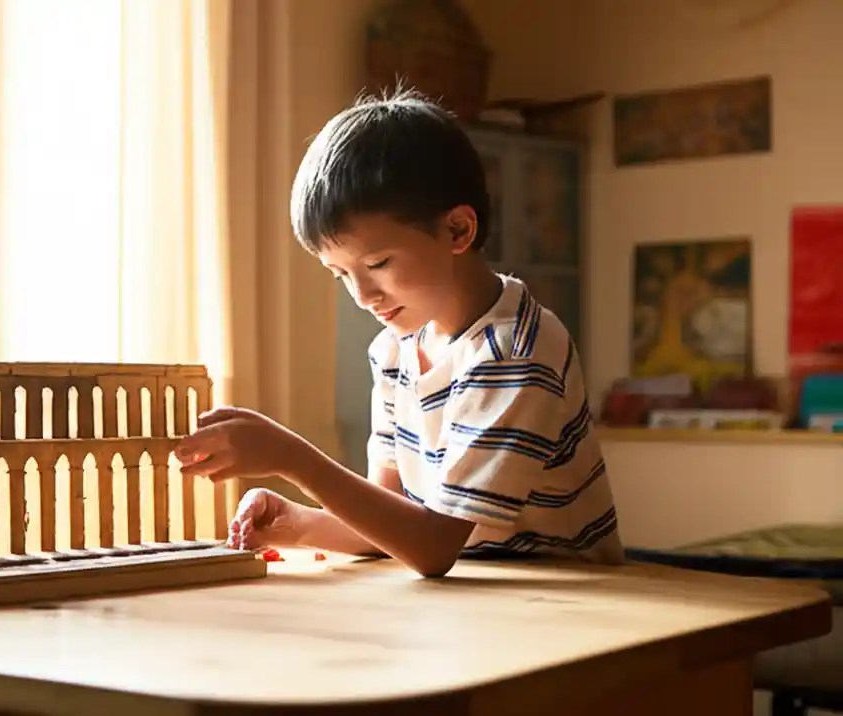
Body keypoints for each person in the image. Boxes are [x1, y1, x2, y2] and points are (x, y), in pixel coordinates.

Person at [172, 90, 623, 576]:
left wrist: (292, 459)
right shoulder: (394, 350)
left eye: (378, 263)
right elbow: (392, 523)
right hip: (475, 598)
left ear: (457, 231)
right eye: (339, 274)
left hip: (568, 598)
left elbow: (432, 548)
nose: (363, 295)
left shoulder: (513, 351)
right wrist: (296, 524)